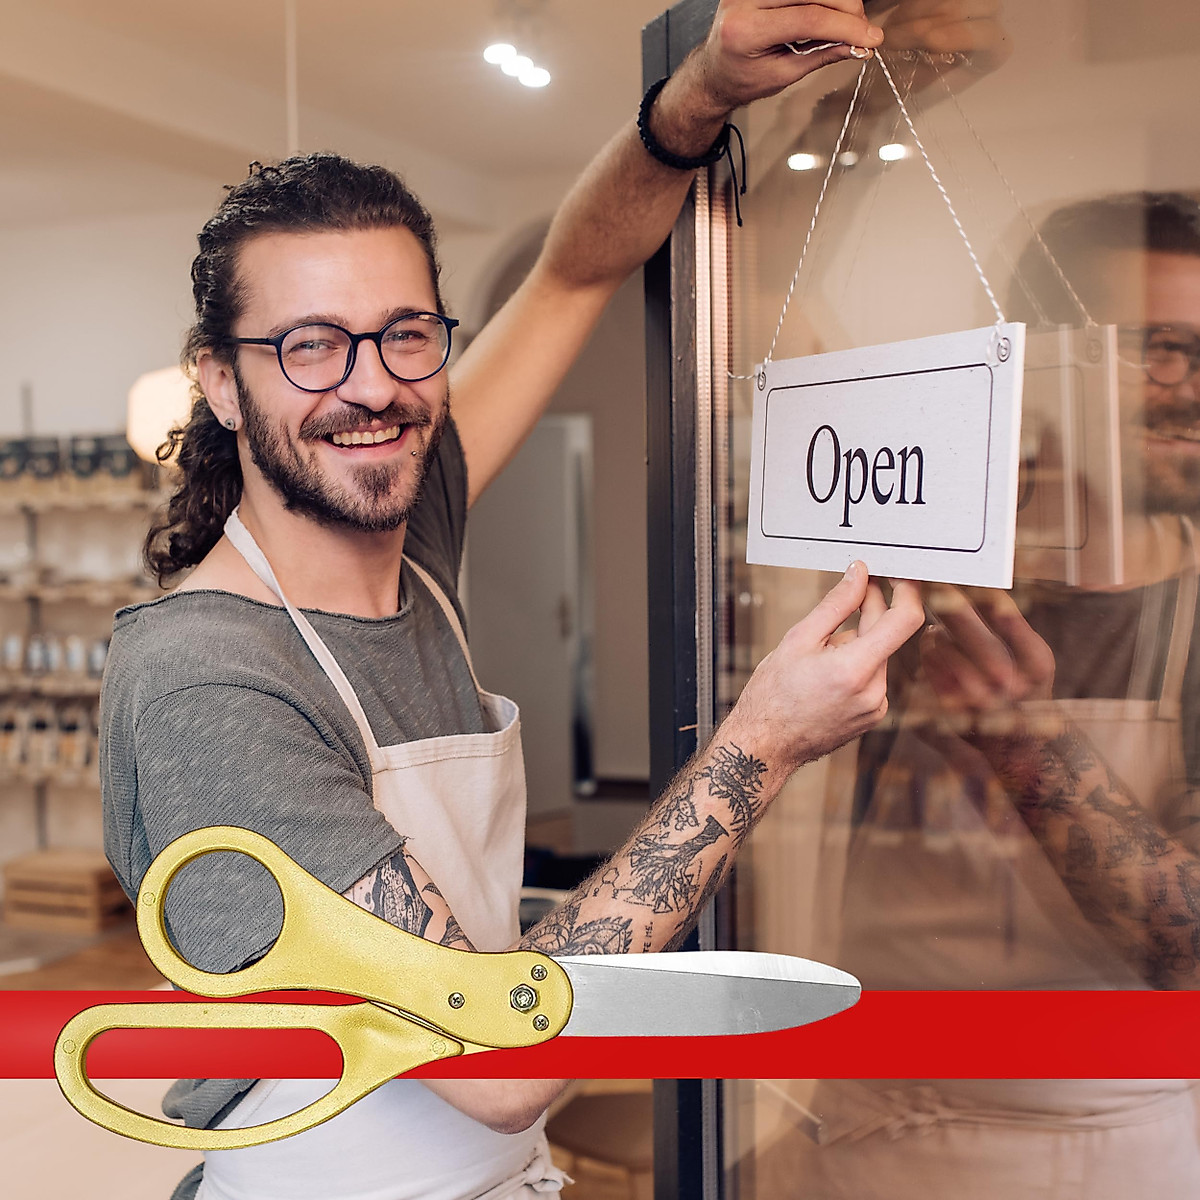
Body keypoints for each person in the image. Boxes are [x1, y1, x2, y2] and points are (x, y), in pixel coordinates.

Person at [99, 4, 923, 1199]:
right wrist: (762, 744)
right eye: (310, 347)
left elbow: (577, 266)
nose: (370, 387)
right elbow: (492, 1058)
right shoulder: (208, 680)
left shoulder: (411, 526)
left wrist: (696, 98)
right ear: (222, 383)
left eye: (404, 334)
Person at [778, 192, 1200, 1198]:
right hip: (878, 1131)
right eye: (1161, 349)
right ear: (1044, 360)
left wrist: (1022, 741)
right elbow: (770, 329)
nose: (1191, 388)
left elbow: (1188, 946)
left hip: (1127, 1139)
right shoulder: (908, 565)